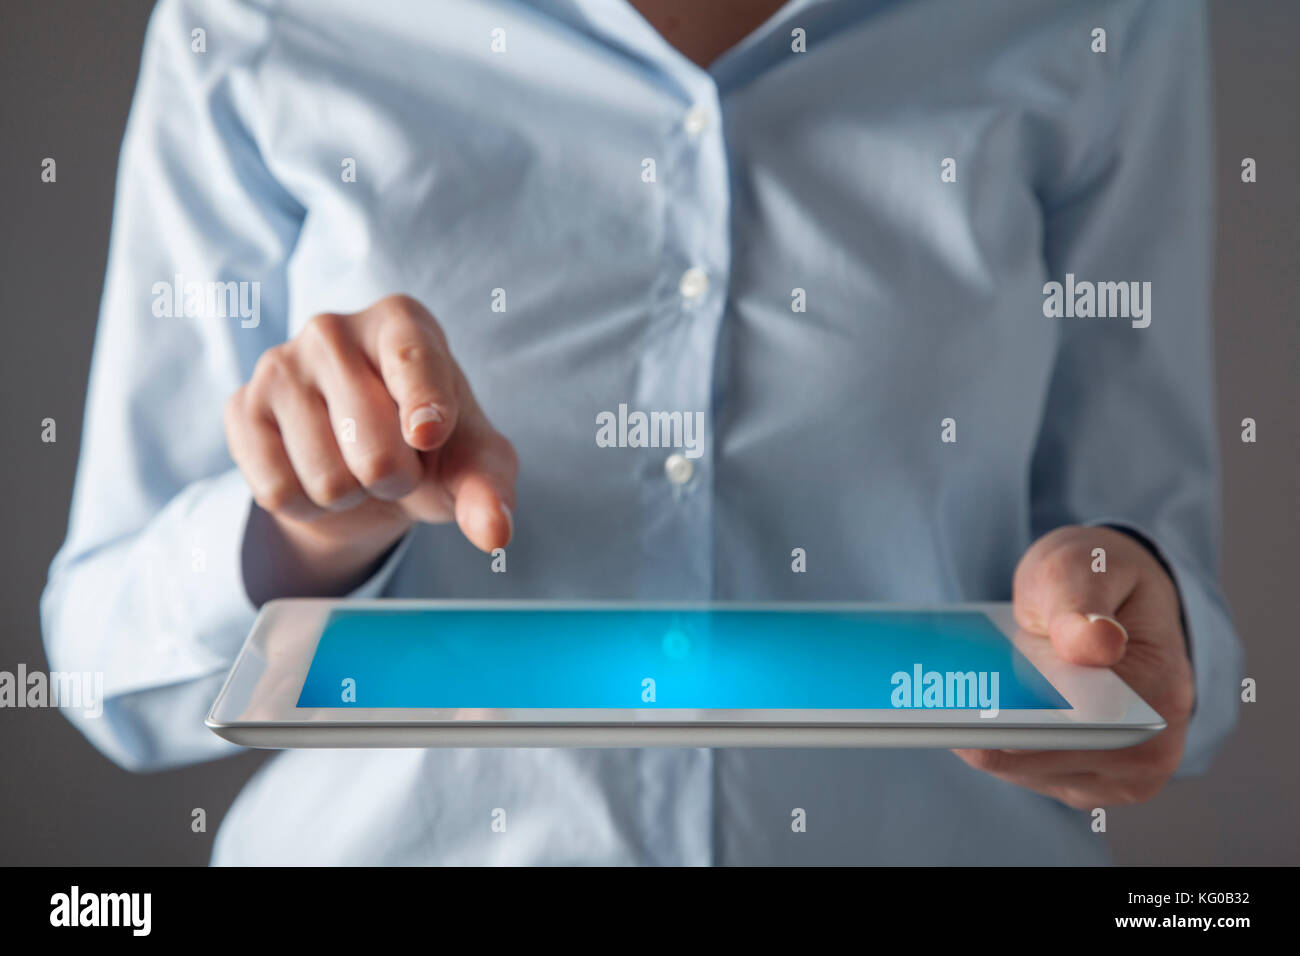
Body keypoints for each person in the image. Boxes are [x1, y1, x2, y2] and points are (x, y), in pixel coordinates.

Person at [42, 0, 1240, 864]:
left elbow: (1171, 607)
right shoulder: (252, 21)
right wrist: (302, 535)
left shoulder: (1109, 21)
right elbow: (109, 672)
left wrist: (1135, 633)